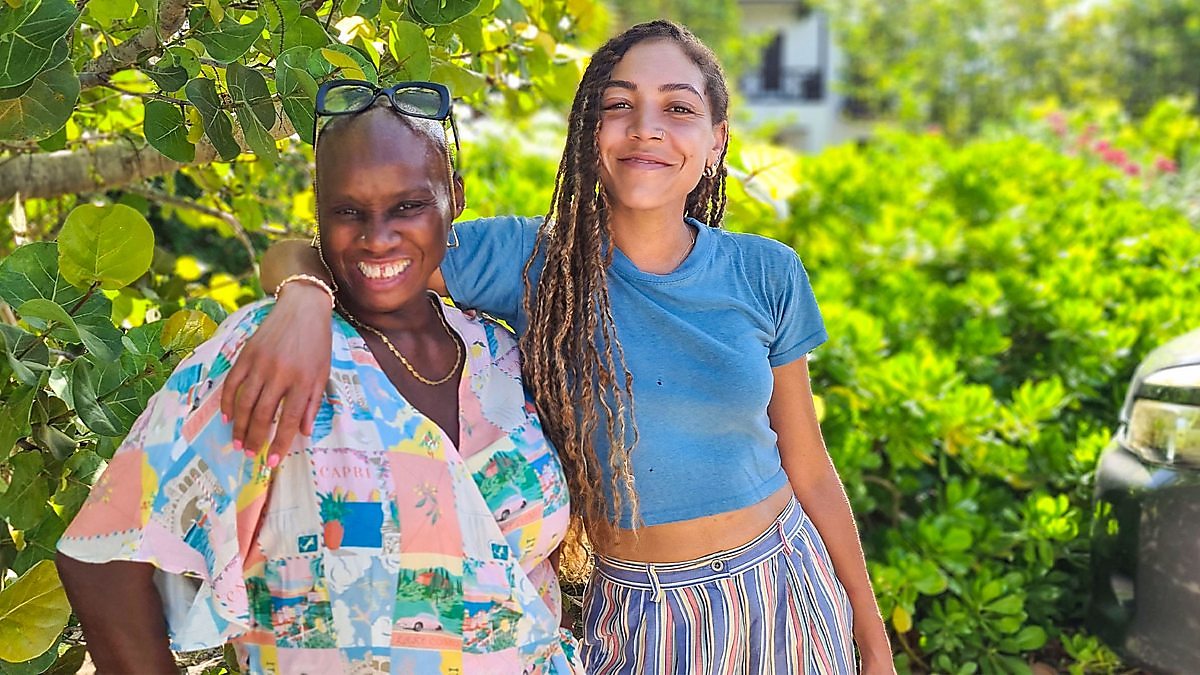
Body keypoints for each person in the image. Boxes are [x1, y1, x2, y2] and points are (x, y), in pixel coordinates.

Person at [229, 21, 895, 674]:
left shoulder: (767, 272)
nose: (646, 128)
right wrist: (302, 300)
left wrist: (871, 636)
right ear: (587, 136)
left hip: (784, 583)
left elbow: (808, 466)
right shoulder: (532, 259)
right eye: (620, 105)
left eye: (678, 108)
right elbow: (340, 250)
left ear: (715, 142)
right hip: (643, 614)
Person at [55, 83, 583, 674]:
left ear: (453, 197)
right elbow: (101, 560)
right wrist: (304, 298)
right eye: (348, 211)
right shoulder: (267, 351)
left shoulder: (502, 355)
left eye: (408, 206)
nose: (377, 237)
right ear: (318, 210)